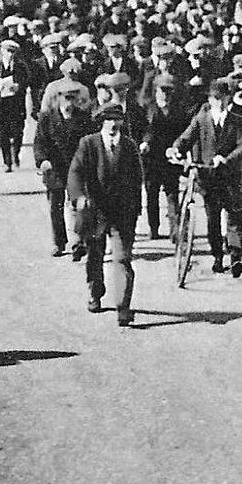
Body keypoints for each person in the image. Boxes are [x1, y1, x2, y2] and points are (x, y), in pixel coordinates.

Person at [67, 104, 144, 325]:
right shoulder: (88, 144)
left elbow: (138, 179)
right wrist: (79, 197)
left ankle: (123, 307)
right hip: (95, 211)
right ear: (101, 122)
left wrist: (135, 208)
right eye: (108, 120)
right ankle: (95, 292)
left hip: (122, 214)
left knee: (122, 259)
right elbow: (75, 172)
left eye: (117, 120)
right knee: (95, 256)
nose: (112, 125)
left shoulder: (129, 146)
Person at [170, 78, 242, 277]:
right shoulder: (201, 119)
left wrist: (226, 158)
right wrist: (175, 149)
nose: (220, 103)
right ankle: (217, 256)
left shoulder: (237, 121)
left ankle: (235, 257)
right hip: (208, 179)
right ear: (210, 100)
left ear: (229, 99)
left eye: (223, 99)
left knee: (234, 219)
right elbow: (187, 138)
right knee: (212, 220)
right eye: (216, 99)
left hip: (231, 177)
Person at [35, 82, 97, 258]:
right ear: (58, 99)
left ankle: (78, 241)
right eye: (66, 99)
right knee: (56, 206)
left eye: (72, 99)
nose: (69, 103)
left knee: (78, 204)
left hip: (76, 168)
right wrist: (43, 160)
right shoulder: (47, 118)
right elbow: (39, 142)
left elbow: (90, 142)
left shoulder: (83, 118)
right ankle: (59, 242)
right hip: (55, 168)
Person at [141, 74, 193, 240]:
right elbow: (144, 130)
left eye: (169, 91)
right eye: (163, 91)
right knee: (152, 195)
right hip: (151, 159)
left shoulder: (179, 111)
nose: (166, 94)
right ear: (156, 91)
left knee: (172, 195)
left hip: (171, 159)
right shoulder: (147, 109)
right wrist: (144, 143)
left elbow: (185, 133)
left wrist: (183, 154)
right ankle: (154, 228)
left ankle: (175, 231)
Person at [0, 38, 34, 171]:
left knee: (17, 131)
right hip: (0, 104)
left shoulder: (20, 66)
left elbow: (27, 80)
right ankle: (7, 161)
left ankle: (16, 155)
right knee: (3, 134)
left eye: (13, 51)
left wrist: (19, 86)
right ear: (2, 51)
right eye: (8, 51)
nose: (10, 54)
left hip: (16, 103)